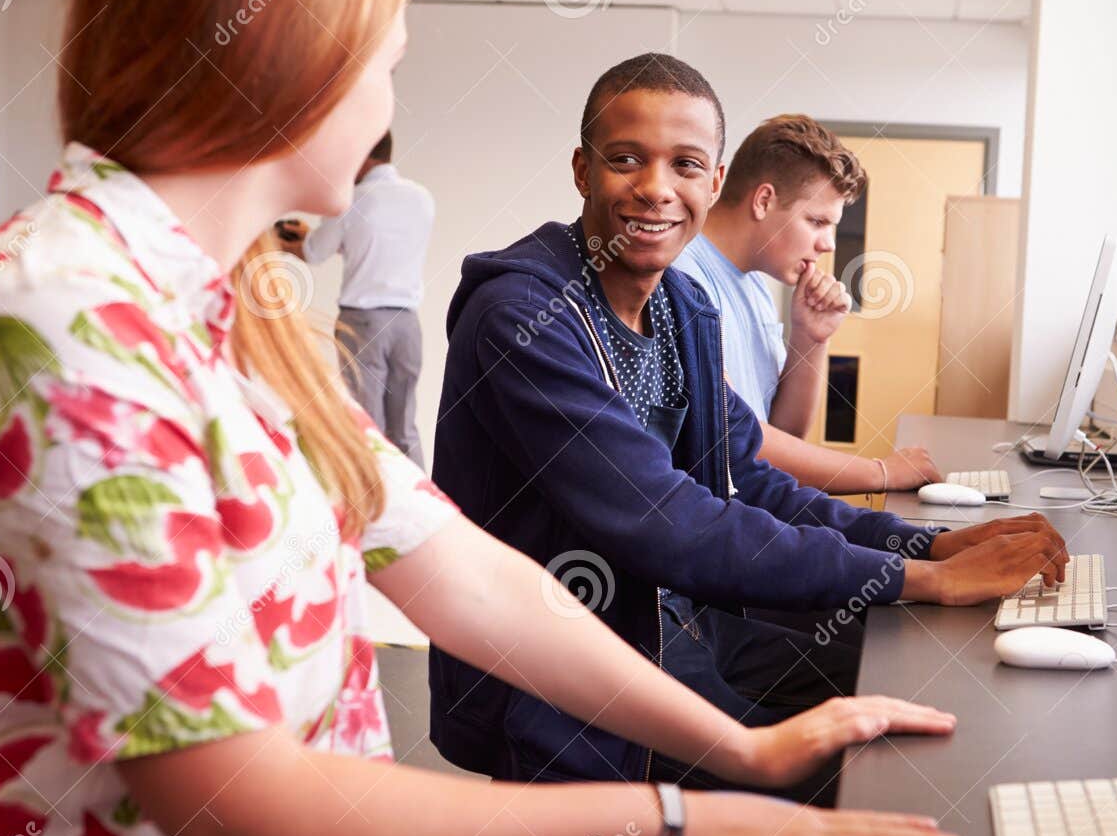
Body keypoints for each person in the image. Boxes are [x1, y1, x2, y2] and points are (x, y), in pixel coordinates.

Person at [0, 0, 964, 836]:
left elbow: (458, 570)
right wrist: (673, 822)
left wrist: (743, 752)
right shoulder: (61, 316)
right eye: (384, 67)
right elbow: (236, 816)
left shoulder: (235, 305)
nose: (384, 108)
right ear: (286, 57)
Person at [430, 53, 1070, 792]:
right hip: (578, 678)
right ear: (582, 169)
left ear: (714, 179)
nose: (656, 188)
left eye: (685, 164)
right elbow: (669, 521)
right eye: (626, 159)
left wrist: (929, 541)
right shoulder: (524, 318)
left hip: (686, 627)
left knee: (923, 691)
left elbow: (749, 475)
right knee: (860, 787)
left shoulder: (681, 308)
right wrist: (921, 577)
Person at [673, 114, 940, 493]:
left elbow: (784, 433)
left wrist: (810, 338)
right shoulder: (681, 275)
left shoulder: (755, 284)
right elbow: (735, 440)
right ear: (764, 200)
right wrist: (882, 472)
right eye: (817, 222)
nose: (828, 243)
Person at [278, 130, 432, 465]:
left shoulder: (352, 200)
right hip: (407, 324)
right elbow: (379, 246)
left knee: (367, 427)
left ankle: (372, 509)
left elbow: (315, 252)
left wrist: (285, 242)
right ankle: (419, 506)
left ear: (362, 156)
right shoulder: (421, 199)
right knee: (404, 428)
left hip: (363, 324)